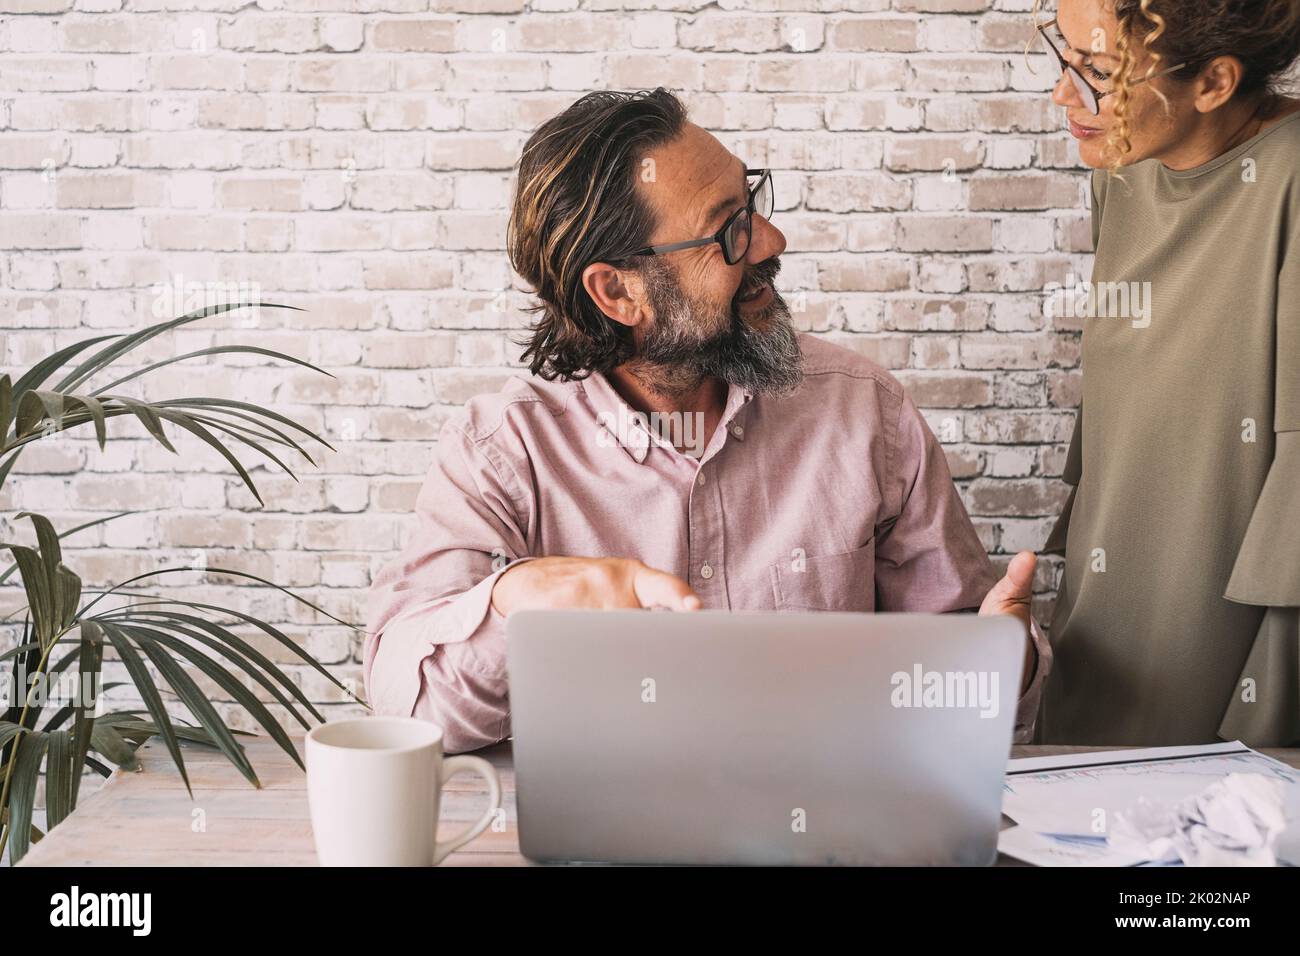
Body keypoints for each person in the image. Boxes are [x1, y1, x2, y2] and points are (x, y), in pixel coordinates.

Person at [364, 89, 1050, 753]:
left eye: (752, 205)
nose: (771, 240)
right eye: (728, 230)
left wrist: (1000, 662)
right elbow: (406, 703)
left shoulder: (863, 410)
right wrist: (519, 602)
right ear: (618, 292)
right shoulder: (503, 454)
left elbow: (966, 657)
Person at [1033, 0, 1300, 744]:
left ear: (1214, 81)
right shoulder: (1123, 167)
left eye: (1098, 73)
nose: (1064, 96)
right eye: (1066, 59)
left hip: (1232, 621)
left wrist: (1268, 708)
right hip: (1111, 602)